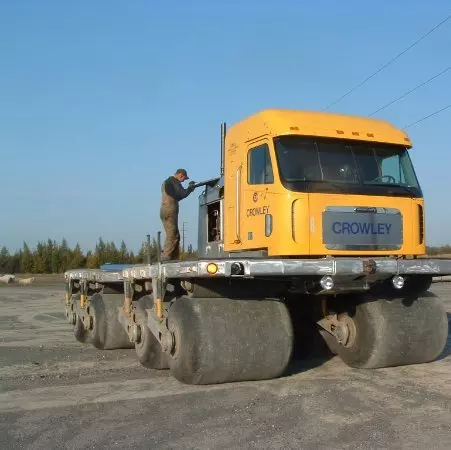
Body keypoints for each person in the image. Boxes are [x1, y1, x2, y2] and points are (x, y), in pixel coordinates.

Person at [160, 169, 196, 261]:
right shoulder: (173, 181)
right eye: (184, 178)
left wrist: (189, 189)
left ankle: (174, 258)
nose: (184, 180)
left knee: (176, 235)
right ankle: (165, 257)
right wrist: (191, 188)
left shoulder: (167, 182)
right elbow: (182, 193)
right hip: (169, 211)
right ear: (181, 175)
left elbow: (177, 196)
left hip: (166, 210)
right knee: (172, 234)